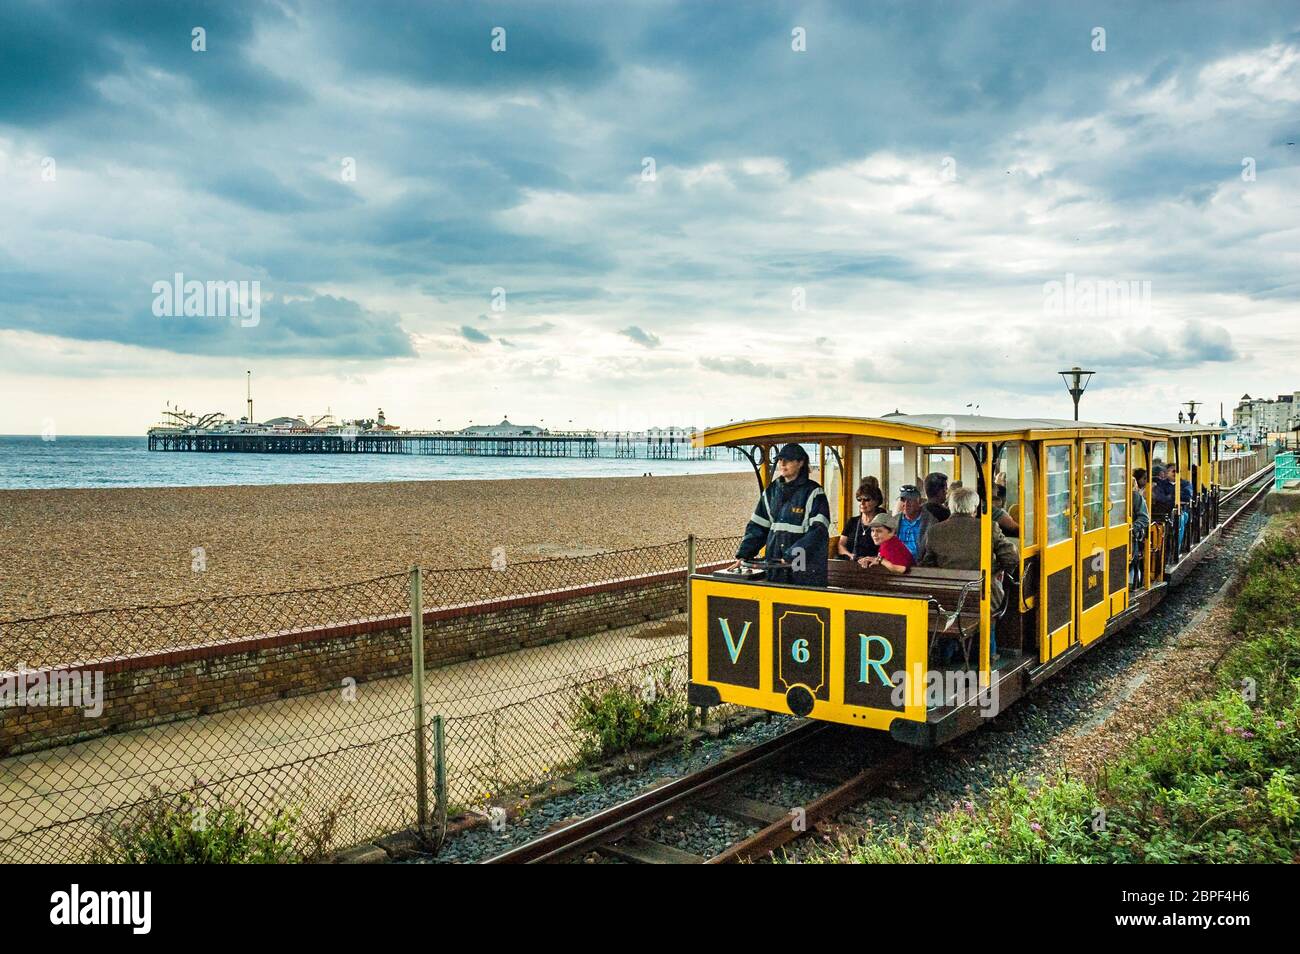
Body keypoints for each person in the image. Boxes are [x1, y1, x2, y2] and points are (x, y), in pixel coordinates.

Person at [921, 485, 1018, 662]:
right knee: (988, 608)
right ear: (974, 508)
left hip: (947, 597)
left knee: (950, 609)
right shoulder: (989, 527)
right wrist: (999, 571)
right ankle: (988, 653)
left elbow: (928, 565)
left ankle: (947, 653)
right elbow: (1011, 557)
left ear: (951, 506)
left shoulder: (935, 531)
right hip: (982, 593)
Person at [733, 443, 830, 586]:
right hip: (775, 569)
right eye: (780, 460)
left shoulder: (815, 492)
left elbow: (818, 532)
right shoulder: (771, 491)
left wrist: (791, 555)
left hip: (805, 570)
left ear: (801, 462)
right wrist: (743, 554)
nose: (782, 463)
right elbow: (758, 526)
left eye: (788, 460)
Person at [837, 478, 885, 561]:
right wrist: (850, 555)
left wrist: (873, 559)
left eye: (866, 499)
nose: (862, 503)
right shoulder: (852, 522)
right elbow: (841, 545)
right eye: (859, 499)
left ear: (876, 501)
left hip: (875, 567)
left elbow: (887, 548)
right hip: (851, 565)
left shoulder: (883, 523)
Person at [894, 484, 933, 563]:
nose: (906, 503)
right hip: (896, 565)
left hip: (920, 567)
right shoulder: (894, 521)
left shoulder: (930, 522)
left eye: (910, 500)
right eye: (903, 500)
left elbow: (931, 552)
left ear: (919, 502)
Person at [1130, 468, 1150, 586]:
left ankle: (1132, 582)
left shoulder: (1135, 497)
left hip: (1131, 536)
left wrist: (1133, 529)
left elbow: (1144, 518)